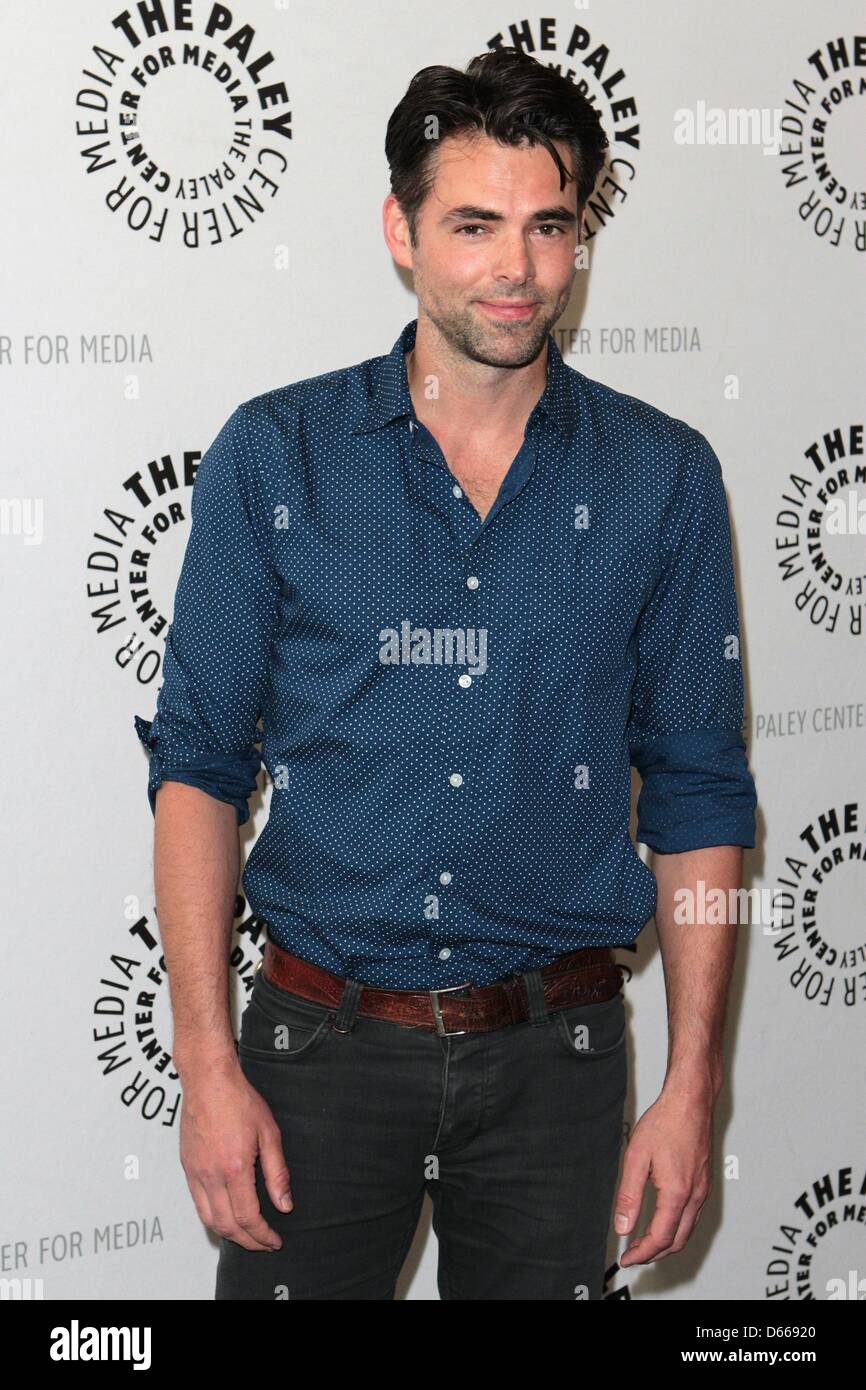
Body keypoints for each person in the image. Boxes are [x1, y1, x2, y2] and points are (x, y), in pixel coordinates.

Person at [134, 47, 757, 1301]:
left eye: (547, 225)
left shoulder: (662, 477)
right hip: (315, 1053)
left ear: (580, 238)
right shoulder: (276, 456)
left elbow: (697, 797)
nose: (514, 269)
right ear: (400, 231)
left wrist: (694, 1087)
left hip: (557, 1062)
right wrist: (208, 1070)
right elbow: (198, 767)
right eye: (472, 224)